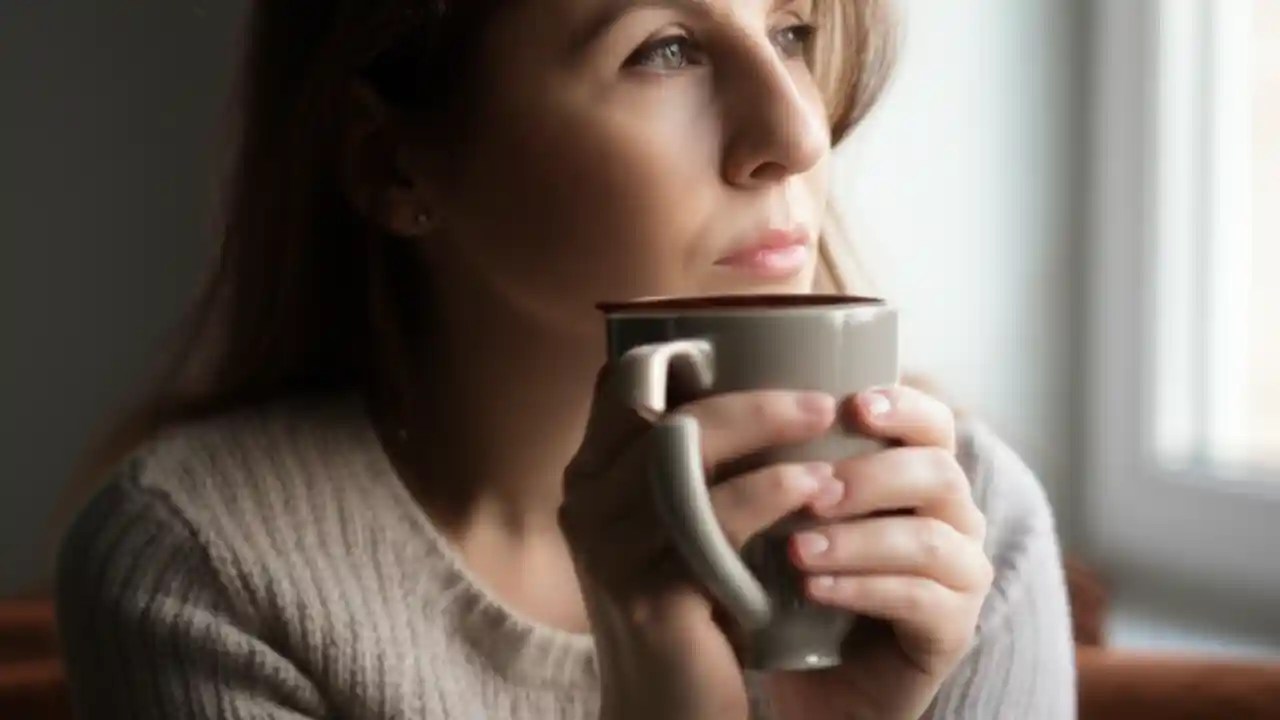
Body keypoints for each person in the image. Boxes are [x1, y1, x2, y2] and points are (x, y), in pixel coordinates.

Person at [52, 0, 1076, 718]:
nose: (798, 131)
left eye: (790, 31)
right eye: (664, 49)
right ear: (394, 162)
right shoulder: (208, 571)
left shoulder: (958, 535)